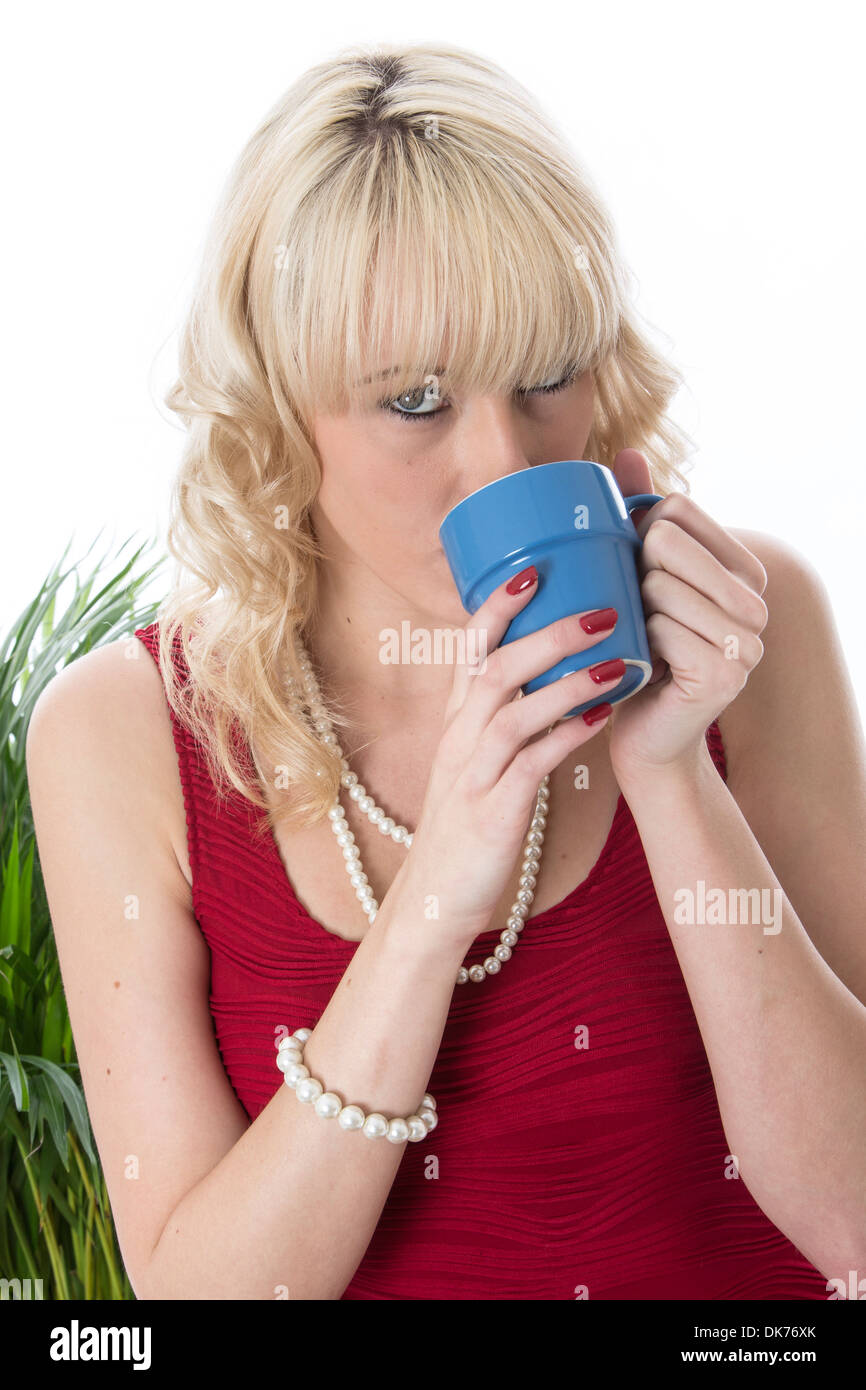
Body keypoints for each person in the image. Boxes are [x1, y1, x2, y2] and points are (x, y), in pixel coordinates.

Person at [26, 42, 866, 1301]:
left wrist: (669, 771)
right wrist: (431, 901)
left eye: (544, 378)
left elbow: (855, 1225)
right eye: (414, 400)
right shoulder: (125, 729)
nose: (501, 462)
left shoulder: (750, 624)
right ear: (278, 407)